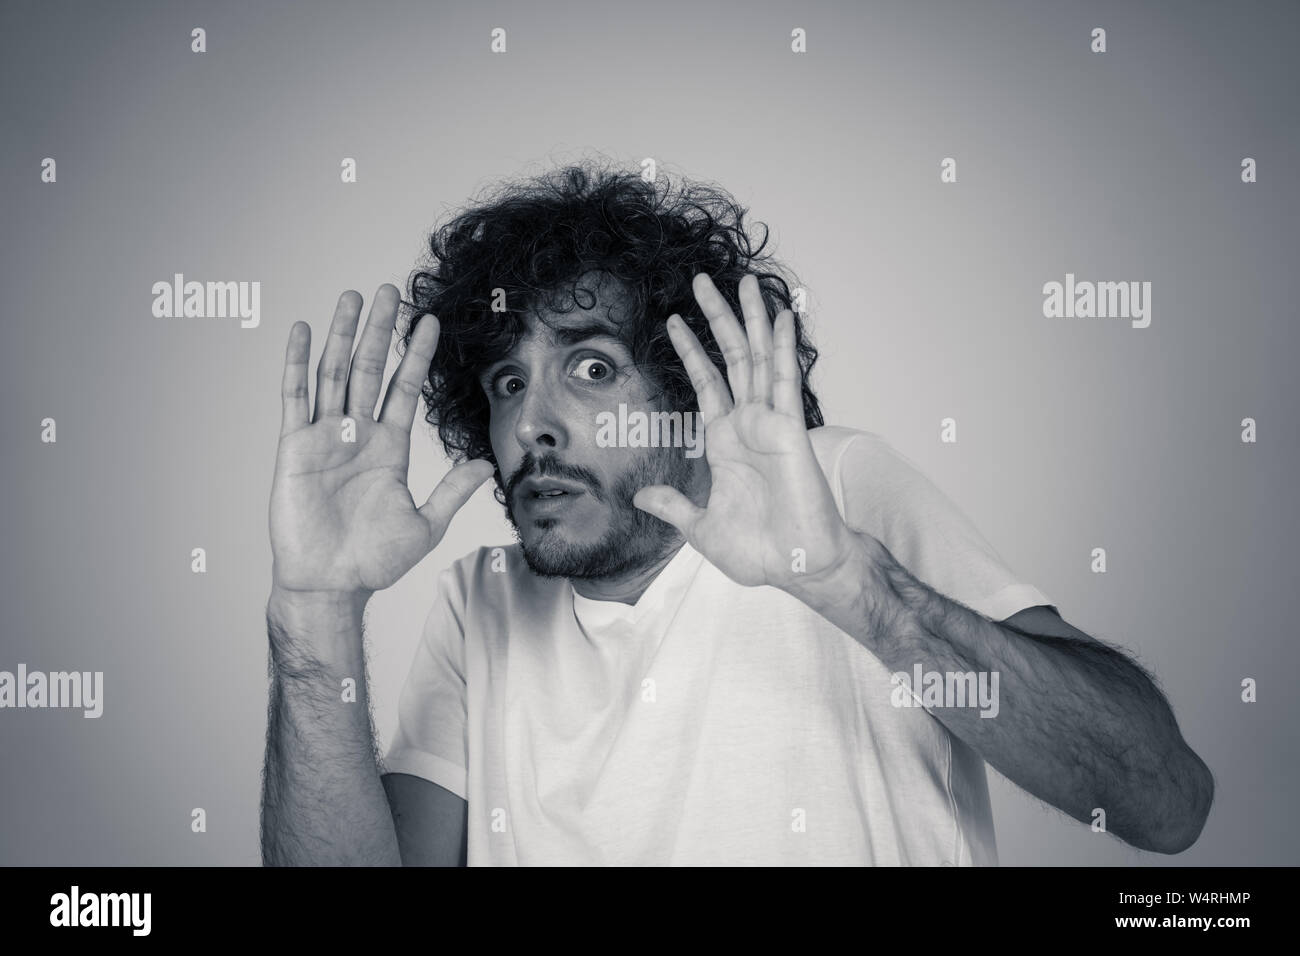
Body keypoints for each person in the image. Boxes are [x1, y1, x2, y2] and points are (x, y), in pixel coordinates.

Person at [261, 163, 1213, 866]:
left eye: (591, 369)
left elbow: (1164, 803)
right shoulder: (483, 604)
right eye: (509, 381)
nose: (534, 426)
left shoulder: (835, 491)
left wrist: (852, 586)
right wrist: (313, 610)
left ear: (687, 388)